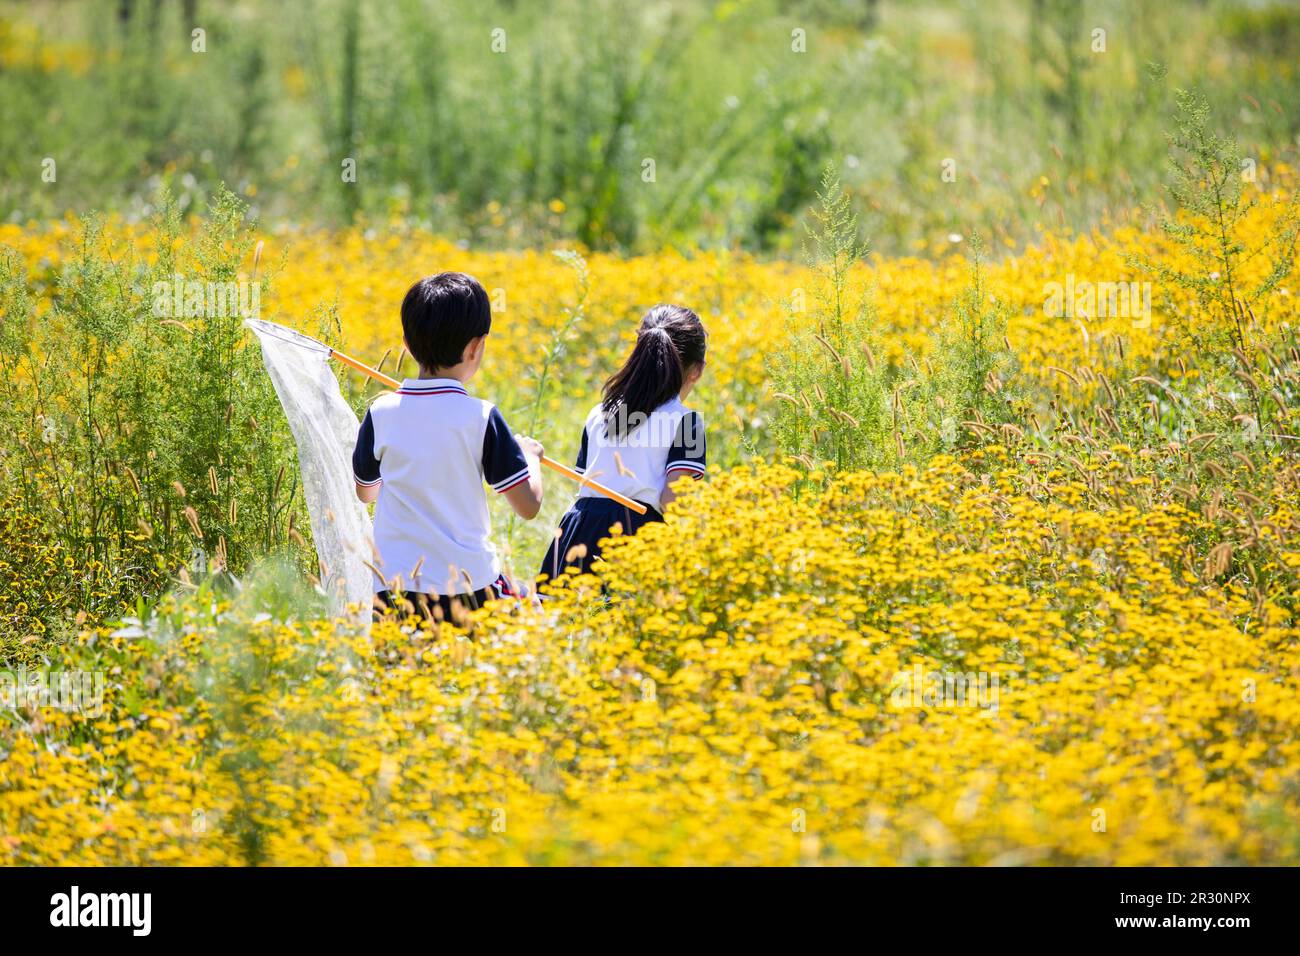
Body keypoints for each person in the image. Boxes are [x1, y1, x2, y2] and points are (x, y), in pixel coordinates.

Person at [352, 272, 544, 622]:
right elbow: (528, 506)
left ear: (407, 345)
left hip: (392, 589)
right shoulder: (482, 417)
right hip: (469, 589)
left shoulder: (379, 414)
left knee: (398, 672)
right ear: (476, 346)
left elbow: (365, 493)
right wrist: (529, 457)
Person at [538, 304, 707, 587]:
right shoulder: (686, 421)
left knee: (571, 626)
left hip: (578, 532)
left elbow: (586, 478)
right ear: (697, 370)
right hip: (636, 537)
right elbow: (674, 501)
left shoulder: (599, 412)